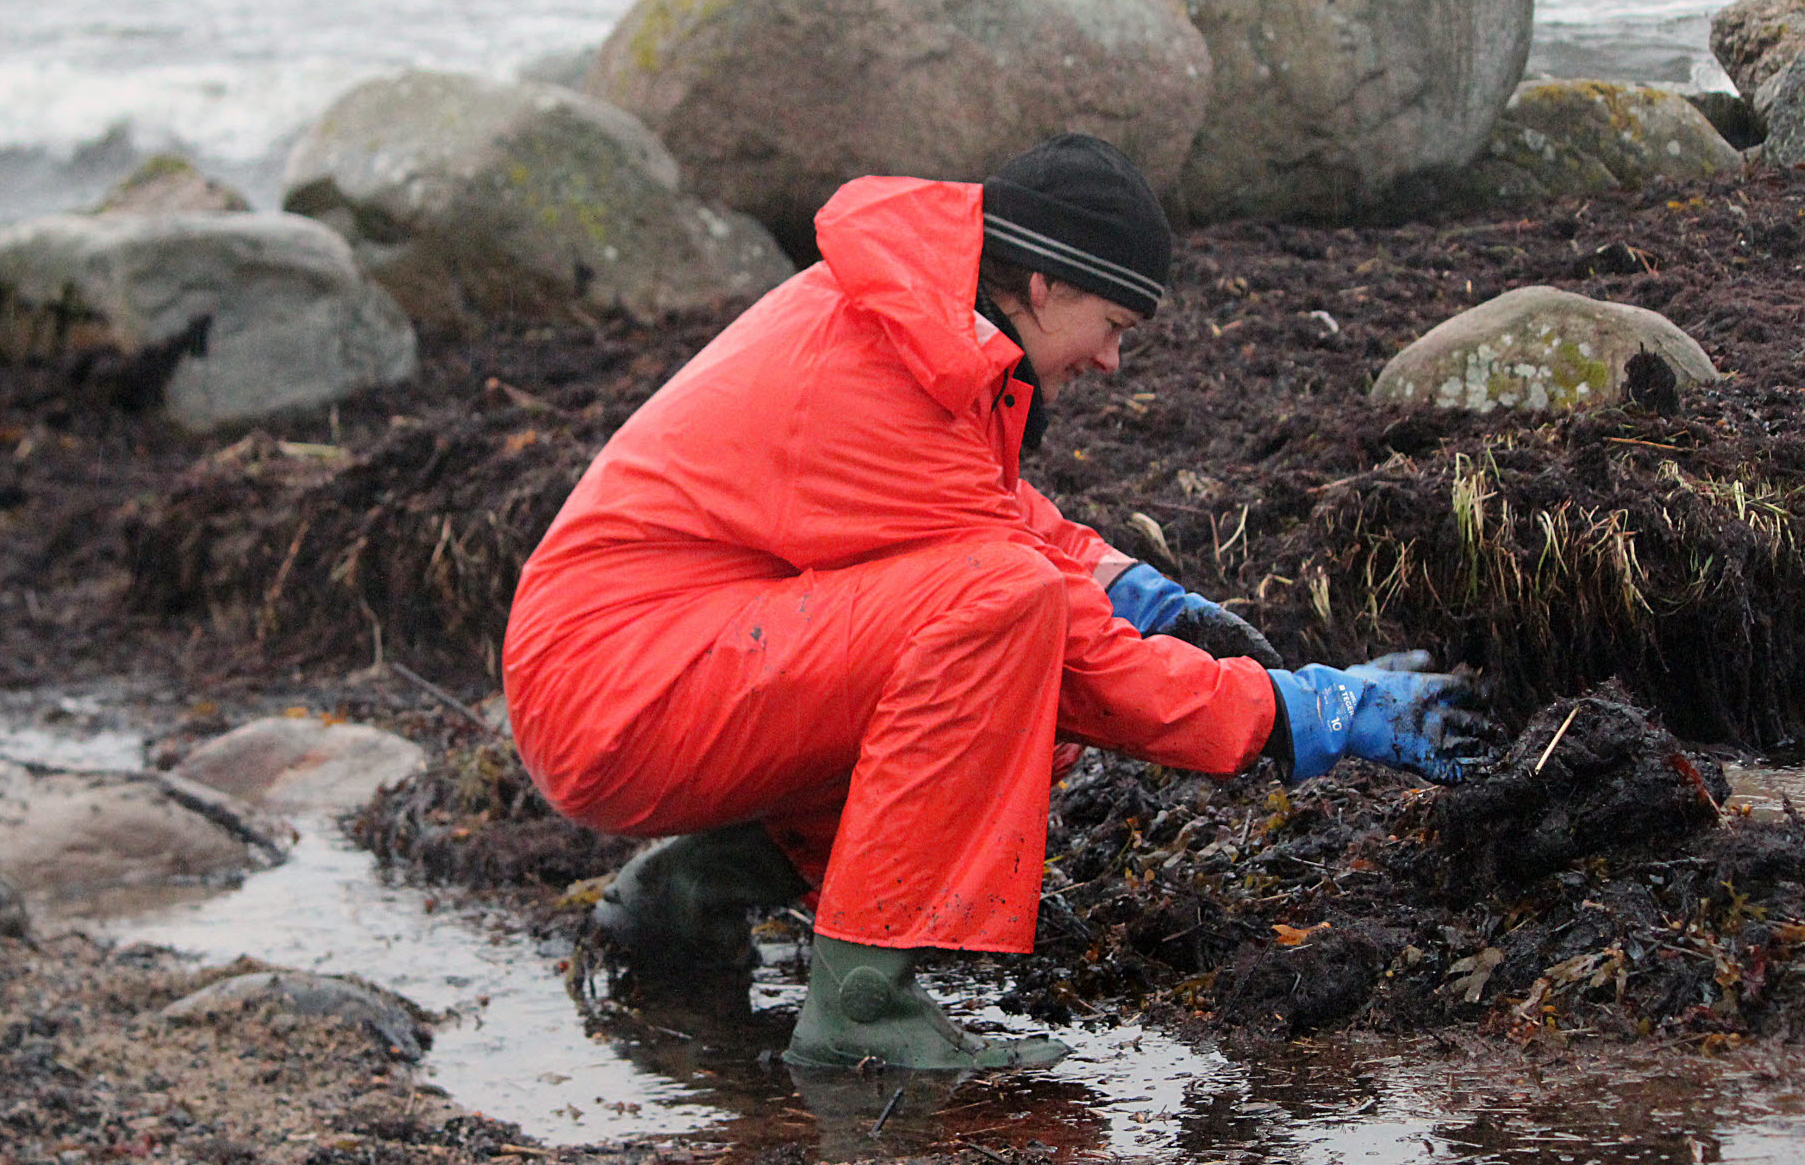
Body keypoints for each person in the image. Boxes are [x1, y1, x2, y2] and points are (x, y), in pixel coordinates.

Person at [502, 133, 1480, 1073]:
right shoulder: (879, 370)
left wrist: (1139, 591)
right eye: (1114, 327)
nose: (1110, 361)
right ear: (1046, 285)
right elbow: (1059, 639)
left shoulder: (910, 318)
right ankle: (860, 1014)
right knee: (1012, 621)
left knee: (1019, 693)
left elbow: (987, 508)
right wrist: (1303, 711)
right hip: (611, 697)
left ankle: (692, 891)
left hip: (654, 661)